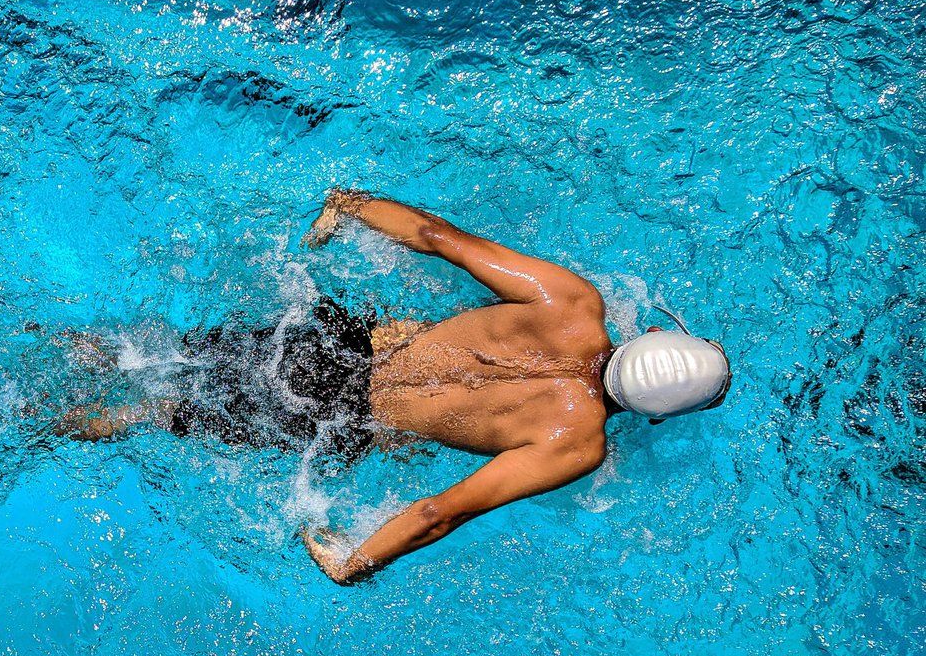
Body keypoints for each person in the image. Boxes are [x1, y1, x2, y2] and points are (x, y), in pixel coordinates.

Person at [58, 191, 731, 584]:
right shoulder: (577, 442)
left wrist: (349, 205)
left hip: (334, 339)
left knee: (155, 353)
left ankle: (58, 340)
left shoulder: (574, 302)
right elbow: (442, 511)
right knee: (155, 412)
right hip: (340, 418)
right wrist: (356, 561)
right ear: (657, 416)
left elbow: (439, 238)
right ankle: (37, 422)